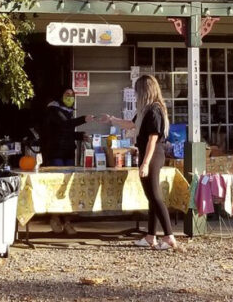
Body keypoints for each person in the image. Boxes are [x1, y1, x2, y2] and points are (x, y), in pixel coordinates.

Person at [99, 75, 177, 250]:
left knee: (156, 196)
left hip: (153, 154)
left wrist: (145, 163)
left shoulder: (154, 110)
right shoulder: (145, 110)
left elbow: (152, 139)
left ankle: (169, 236)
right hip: (148, 154)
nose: (135, 95)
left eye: (137, 91)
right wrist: (111, 119)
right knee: (151, 197)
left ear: (144, 91)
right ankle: (151, 236)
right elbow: (130, 124)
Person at [40, 86, 93, 235]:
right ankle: (55, 217)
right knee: (58, 186)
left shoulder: (69, 112)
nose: (70, 97)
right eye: (67, 94)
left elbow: (67, 132)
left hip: (68, 153)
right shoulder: (53, 110)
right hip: (55, 153)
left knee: (69, 188)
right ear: (60, 96)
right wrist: (83, 119)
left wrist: (80, 136)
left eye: (72, 95)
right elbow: (62, 126)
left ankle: (67, 221)